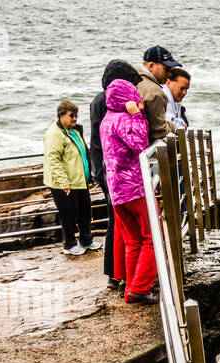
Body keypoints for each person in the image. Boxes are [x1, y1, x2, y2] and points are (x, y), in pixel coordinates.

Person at [100, 78, 156, 305]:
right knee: (153, 237)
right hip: (134, 187)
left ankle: (130, 288)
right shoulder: (124, 119)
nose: (139, 98)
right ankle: (140, 287)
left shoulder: (106, 120)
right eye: (134, 94)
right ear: (126, 98)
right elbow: (141, 144)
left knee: (133, 241)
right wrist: (138, 115)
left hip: (116, 190)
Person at [89, 59, 139, 291]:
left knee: (116, 223)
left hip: (103, 168)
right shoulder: (106, 101)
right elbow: (106, 139)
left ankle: (115, 273)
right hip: (111, 170)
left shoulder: (100, 100)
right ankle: (116, 273)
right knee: (117, 224)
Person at [42, 99, 99, 256]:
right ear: (61, 115)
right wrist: (63, 183)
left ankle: (86, 240)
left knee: (85, 212)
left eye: (76, 115)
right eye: (71, 116)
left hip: (79, 180)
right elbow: (53, 160)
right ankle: (69, 244)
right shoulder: (54, 134)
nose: (74, 119)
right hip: (65, 183)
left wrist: (90, 175)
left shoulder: (74, 131)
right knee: (68, 215)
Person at [137, 45, 179, 144]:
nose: (169, 74)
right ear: (151, 66)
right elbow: (159, 131)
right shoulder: (155, 92)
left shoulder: (132, 79)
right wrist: (175, 125)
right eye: (166, 69)